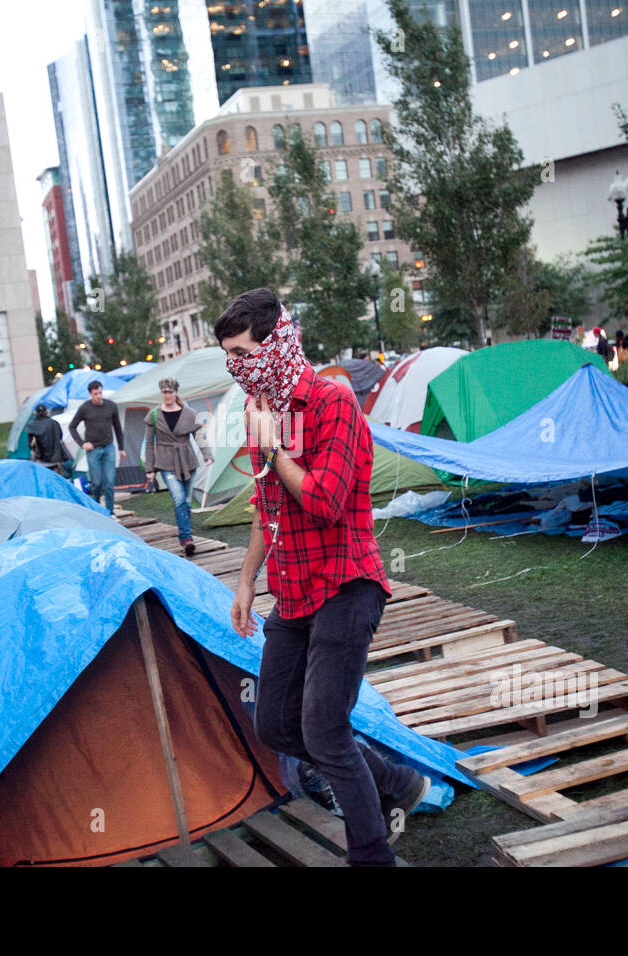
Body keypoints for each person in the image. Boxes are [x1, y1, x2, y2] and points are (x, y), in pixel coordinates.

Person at [217, 288, 430, 867]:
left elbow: (325, 502)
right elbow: (270, 507)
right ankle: (394, 780)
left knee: (325, 730)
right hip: (293, 592)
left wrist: (273, 449)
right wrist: (244, 582)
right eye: (228, 357)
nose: (237, 368)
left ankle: (371, 854)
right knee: (276, 722)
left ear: (276, 341)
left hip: (346, 583)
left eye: (243, 352)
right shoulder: (259, 407)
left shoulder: (333, 403)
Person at [144, 378, 213, 556]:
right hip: (166, 461)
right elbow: (149, 445)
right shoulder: (153, 415)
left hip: (188, 460)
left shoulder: (190, 413)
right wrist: (150, 470)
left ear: (176, 393)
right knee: (179, 498)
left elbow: (199, 436)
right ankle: (186, 538)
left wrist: (207, 454)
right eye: (164, 392)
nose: (167, 395)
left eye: (170, 391)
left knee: (188, 501)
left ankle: (186, 535)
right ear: (161, 393)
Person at [69, 381, 126, 516]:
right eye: (96, 394)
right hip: (93, 449)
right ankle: (96, 511)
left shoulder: (111, 406)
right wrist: (82, 443)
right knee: (96, 483)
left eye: (100, 393)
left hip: (108, 448)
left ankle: (110, 513)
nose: (99, 396)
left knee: (109, 482)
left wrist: (121, 448)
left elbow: (117, 428)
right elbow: (72, 427)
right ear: (90, 394)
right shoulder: (85, 408)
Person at [27, 403, 71, 476]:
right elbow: (60, 436)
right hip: (56, 459)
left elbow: (30, 444)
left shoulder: (32, 426)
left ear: (36, 413)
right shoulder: (54, 423)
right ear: (46, 412)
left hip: (41, 459)